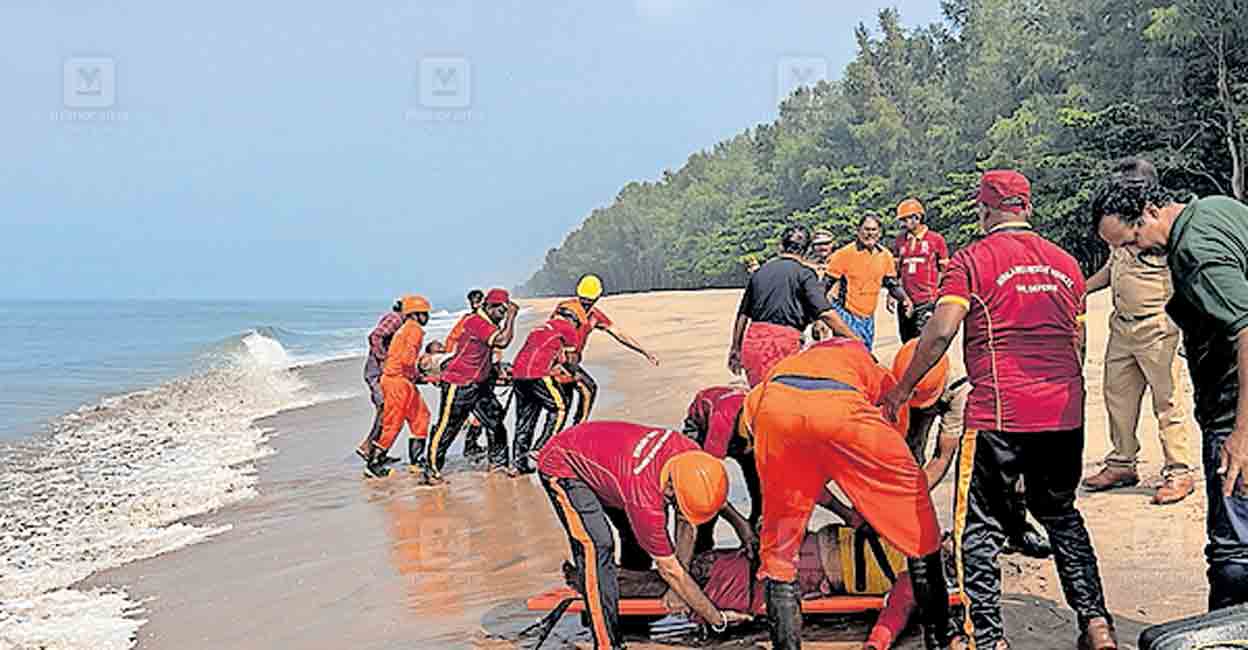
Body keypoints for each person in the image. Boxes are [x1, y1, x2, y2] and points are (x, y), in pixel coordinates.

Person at [881, 170, 1116, 650]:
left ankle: (985, 639)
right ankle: (1097, 625)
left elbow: (942, 330)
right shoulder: (1067, 264)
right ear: (1027, 208)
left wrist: (903, 388)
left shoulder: (971, 259)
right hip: (1063, 412)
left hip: (999, 413)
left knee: (978, 529)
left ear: (985, 210)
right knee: (1062, 515)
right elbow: (1078, 343)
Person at [1090, 168, 1248, 611]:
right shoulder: (1218, 208)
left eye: (1130, 239)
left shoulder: (1194, 250)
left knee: (1233, 552)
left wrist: (1241, 433)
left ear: (1152, 209)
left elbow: (1246, 328)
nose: (1132, 251)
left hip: (1233, 411)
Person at [743, 337, 949, 650]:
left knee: (780, 556)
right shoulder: (875, 371)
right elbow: (887, 456)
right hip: (840, 416)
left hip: (776, 415)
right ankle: (939, 642)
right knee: (920, 527)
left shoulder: (790, 365)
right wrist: (868, 508)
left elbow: (758, 418)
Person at [537, 421, 752, 648]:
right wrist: (717, 619)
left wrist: (742, 527)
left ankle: (630, 620)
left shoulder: (690, 456)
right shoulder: (644, 502)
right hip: (563, 465)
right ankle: (607, 642)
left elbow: (687, 521)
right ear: (669, 490)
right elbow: (669, 569)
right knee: (598, 546)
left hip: (606, 461)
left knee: (638, 544)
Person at [602, 523, 925, 650]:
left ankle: (605, 583)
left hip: (798, 572)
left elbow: (894, 614)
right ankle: (608, 579)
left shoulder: (918, 575)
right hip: (791, 548)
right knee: (702, 567)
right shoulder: (907, 529)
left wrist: (875, 646)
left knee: (697, 581)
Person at [1082, 159, 1198, 505]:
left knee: (1168, 401)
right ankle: (1122, 462)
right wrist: (1079, 288)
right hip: (1122, 327)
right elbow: (1109, 270)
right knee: (1117, 397)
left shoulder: (1159, 233)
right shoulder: (1119, 230)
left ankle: (1179, 471)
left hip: (1157, 327)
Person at [729, 224, 857, 387]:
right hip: (782, 344)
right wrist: (853, 338)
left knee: (759, 395)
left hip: (753, 341)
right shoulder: (805, 273)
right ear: (806, 250)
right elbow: (825, 312)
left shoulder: (761, 272)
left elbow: (743, 315)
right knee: (781, 394)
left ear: (781, 246)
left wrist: (735, 348)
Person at [424, 289, 520, 484]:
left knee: (495, 420)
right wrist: (511, 317)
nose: (502, 317)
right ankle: (431, 469)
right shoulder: (476, 321)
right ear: (490, 307)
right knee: (447, 427)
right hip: (459, 383)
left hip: (479, 383)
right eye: (500, 312)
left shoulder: (489, 322)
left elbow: (484, 354)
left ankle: (498, 463)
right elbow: (502, 341)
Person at [554, 274, 660, 426]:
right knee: (588, 389)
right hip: (560, 362)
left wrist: (644, 352)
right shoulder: (567, 309)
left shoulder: (594, 315)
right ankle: (578, 429)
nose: (585, 304)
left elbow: (619, 334)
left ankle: (572, 430)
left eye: (588, 301)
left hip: (568, 362)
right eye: (584, 300)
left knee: (570, 400)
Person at [363, 295, 433, 478]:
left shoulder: (408, 328)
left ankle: (417, 461)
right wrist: (422, 372)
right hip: (396, 382)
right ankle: (374, 464)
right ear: (415, 315)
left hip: (403, 380)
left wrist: (417, 376)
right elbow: (407, 359)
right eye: (425, 314)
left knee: (421, 416)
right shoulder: (413, 330)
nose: (428, 317)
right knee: (392, 424)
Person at [509, 309, 582, 474]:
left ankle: (517, 465)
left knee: (525, 420)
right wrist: (573, 374)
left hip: (518, 374)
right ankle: (541, 448)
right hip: (538, 374)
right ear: (571, 320)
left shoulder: (539, 328)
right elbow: (571, 360)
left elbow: (543, 351)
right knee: (560, 408)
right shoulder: (567, 327)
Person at [825, 215, 912, 350]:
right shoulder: (844, 254)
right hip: (847, 314)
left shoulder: (885, 255)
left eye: (873, 230)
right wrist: (818, 317)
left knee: (865, 354)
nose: (869, 234)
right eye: (866, 229)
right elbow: (825, 284)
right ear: (858, 230)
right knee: (852, 354)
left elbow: (891, 284)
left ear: (879, 233)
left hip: (868, 317)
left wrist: (905, 299)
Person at [355, 297, 406, 464]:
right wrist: (384, 359)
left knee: (390, 411)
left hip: (382, 371)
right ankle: (367, 447)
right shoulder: (396, 319)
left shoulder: (400, 321)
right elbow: (375, 336)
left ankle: (378, 452)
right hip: (377, 371)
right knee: (384, 409)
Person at [893, 199, 950, 342]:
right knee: (907, 341)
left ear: (917, 218)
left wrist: (938, 293)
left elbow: (945, 270)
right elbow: (896, 271)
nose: (903, 224)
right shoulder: (900, 240)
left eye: (905, 219)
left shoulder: (936, 239)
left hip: (926, 300)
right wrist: (893, 295)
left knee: (925, 342)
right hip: (905, 301)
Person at [444, 289, 490, 464]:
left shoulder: (485, 320)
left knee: (478, 411)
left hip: (482, 368)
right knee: (469, 411)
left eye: (478, 301)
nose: (476, 304)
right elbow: (452, 339)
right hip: (469, 370)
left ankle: (471, 444)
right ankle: (470, 445)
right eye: (473, 302)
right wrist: (450, 360)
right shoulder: (467, 320)